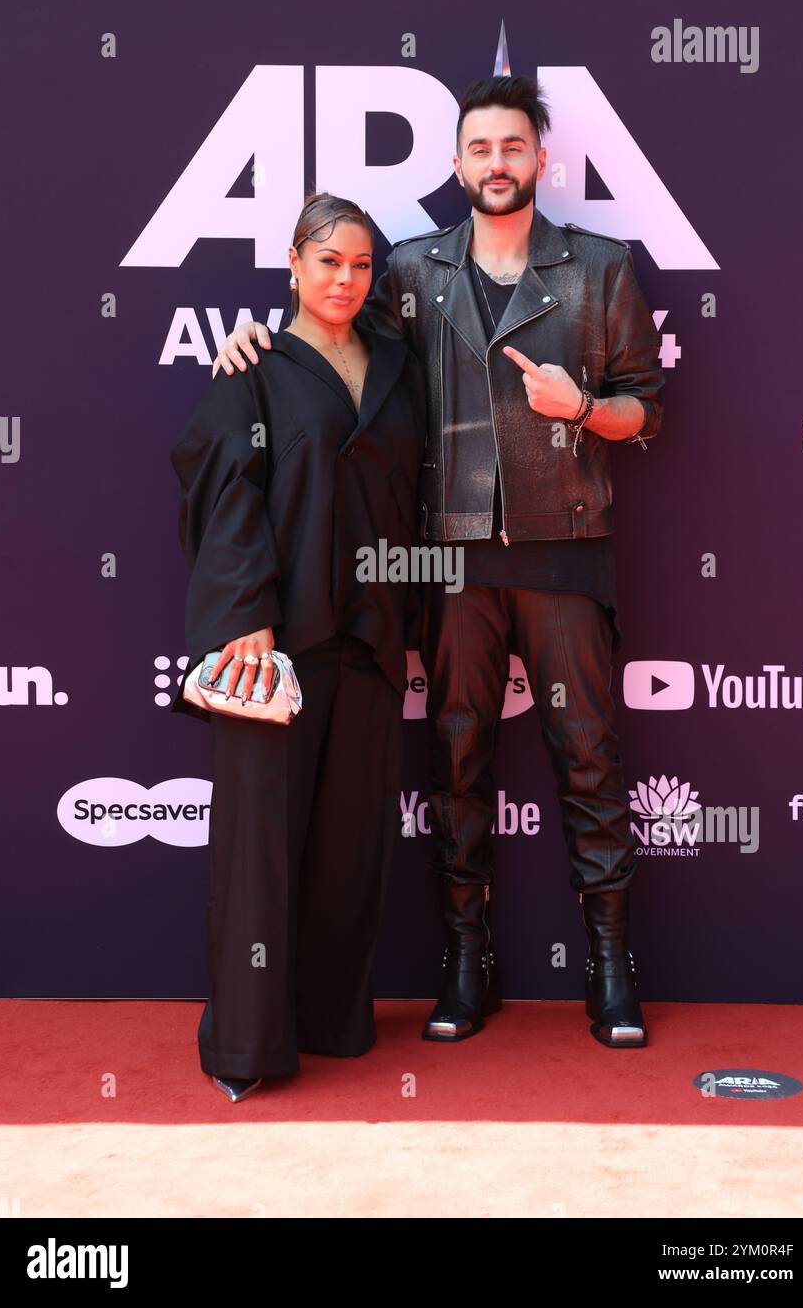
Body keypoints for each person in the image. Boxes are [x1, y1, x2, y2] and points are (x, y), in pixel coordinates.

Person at [211, 75, 667, 1050]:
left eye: (511, 147)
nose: (495, 164)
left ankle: (609, 970)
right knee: (456, 759)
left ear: (539, 160)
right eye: (478, 149)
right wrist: (253, 338)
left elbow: (643, 411)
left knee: (587, 760)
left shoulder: (601, 269)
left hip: (565, 551)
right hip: (446, 562)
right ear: (457, 164)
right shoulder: (411, 272)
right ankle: (469, 963)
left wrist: (579, 410)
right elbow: (330, 341)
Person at [170, 192, 427, 1101]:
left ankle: (328, 1018)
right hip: (271, 644)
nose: (345, 281)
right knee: (259, 847)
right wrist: (245, 614)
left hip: (368, 635)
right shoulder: (252, 366)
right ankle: (247, 1046)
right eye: (328, 263)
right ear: (292, 263)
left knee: (351, 845)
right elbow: (224, 487)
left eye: (361, 266)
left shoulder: (400, 364)